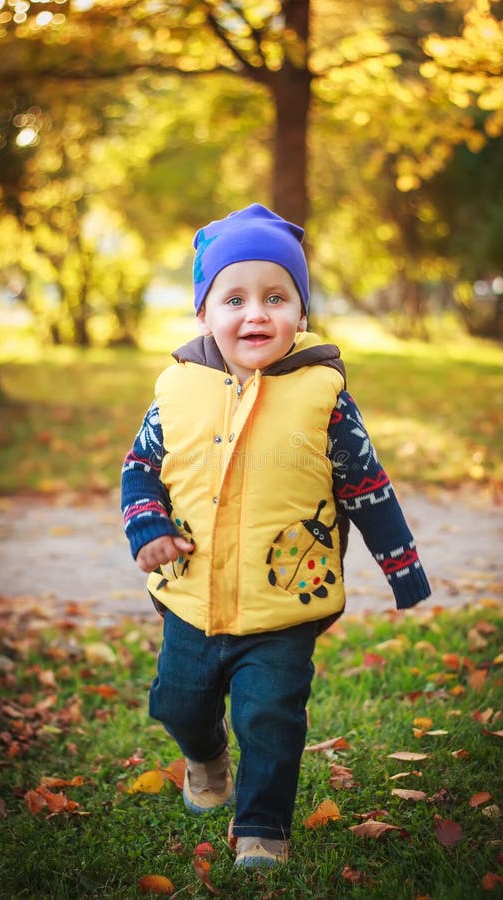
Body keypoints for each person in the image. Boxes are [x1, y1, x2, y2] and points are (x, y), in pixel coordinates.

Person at [121, 203, 431, 870]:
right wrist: (146, 525)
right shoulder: (176, 390)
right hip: (190, 597)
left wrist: (401, 566)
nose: (255, 313)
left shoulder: (323, 397)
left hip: (284, 600)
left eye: (275, 297)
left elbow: (365, 484)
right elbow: (141, 467)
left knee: (270, 717)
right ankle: (205, 760)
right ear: (203, 313)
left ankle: (261, 830)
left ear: (300, 311)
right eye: (233, 298)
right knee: (175, 703)